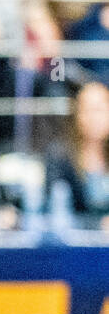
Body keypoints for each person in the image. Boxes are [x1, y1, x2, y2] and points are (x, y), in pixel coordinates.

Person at [45, 81, 109, 229]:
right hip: (76, 240)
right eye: (87, 110)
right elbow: (56, 211)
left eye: (99, 110)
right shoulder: (59, 156)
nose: (93, 118)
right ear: (77, 115)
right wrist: (99, 225)